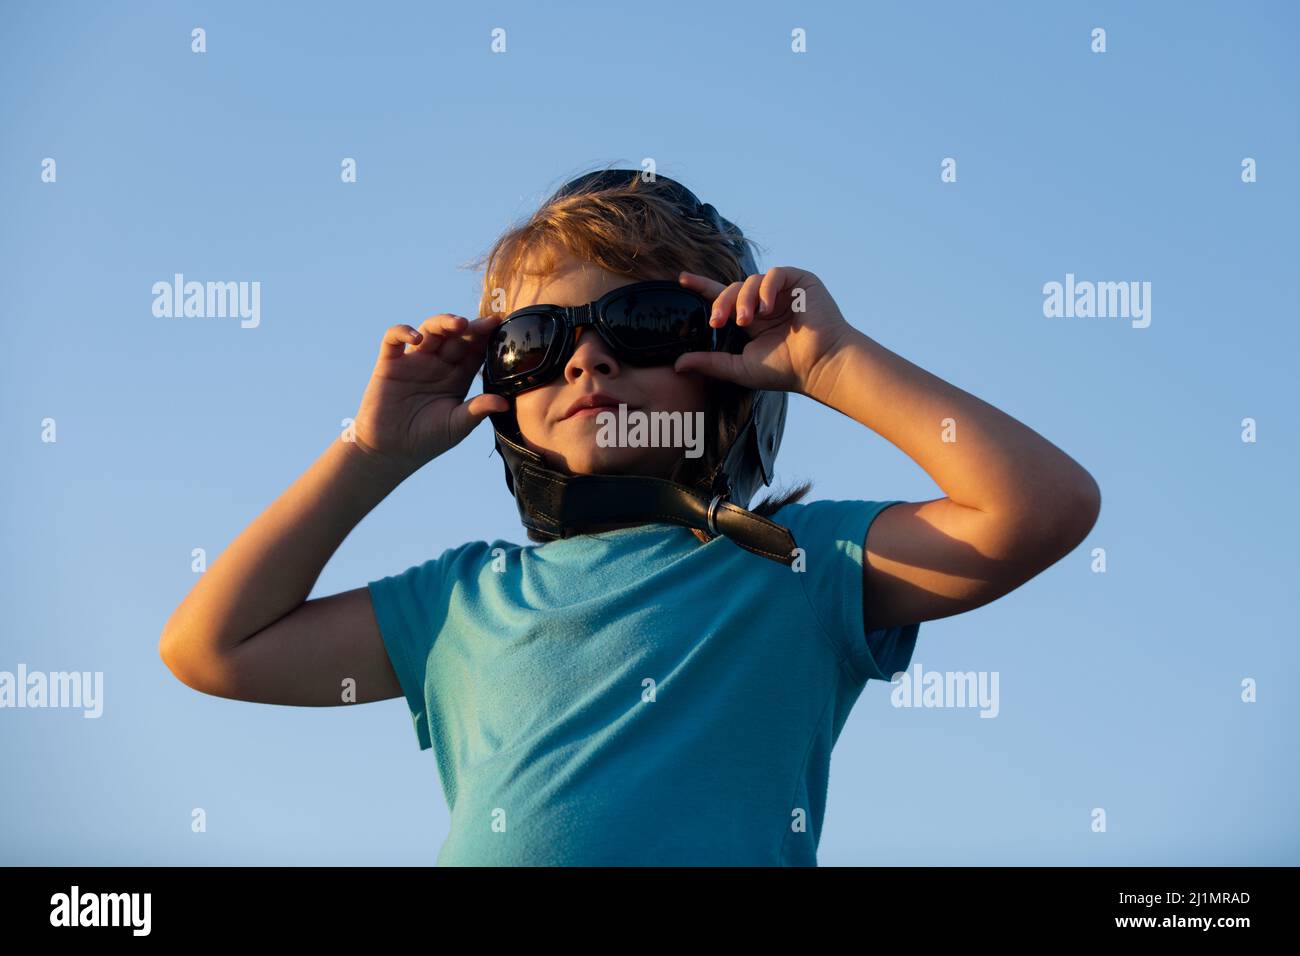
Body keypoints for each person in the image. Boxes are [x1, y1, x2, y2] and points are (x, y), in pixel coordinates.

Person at [159, 168, 1100, 865]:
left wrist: (834, 364)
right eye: (537, 340)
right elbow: (213, 649)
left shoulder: (794, 566)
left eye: (644, 323)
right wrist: (371, 456)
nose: (587, 362)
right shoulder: (459, 602)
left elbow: (1038, 508)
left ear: (735, 363)